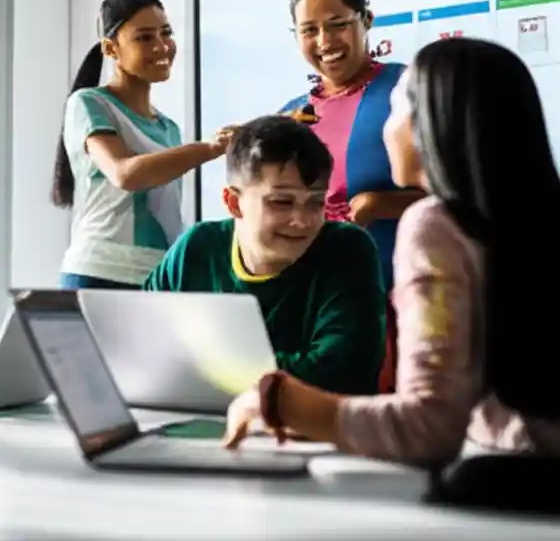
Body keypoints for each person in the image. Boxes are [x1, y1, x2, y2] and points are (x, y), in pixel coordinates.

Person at [223, 38, 560, 465]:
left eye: (395, 111)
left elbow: (428, 428)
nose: (384, 128)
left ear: (429, 126)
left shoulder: (434, 225)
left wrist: (282, 403)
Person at [143, 115, 386, 395]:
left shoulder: (347, 249)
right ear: (234, 202)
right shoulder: (197, 247)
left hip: (310, 435)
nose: (303, 221)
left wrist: (198, 367)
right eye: (282, 202)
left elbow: (339, 372)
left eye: (316, 203)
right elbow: (143, 343)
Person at [279, 0, 425, 390]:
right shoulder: (290, 114)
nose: (325, 42)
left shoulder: (409, 89)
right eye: (309, 30)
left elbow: (466, 191)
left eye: (338, 24)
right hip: (316, 308)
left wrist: (381, 205)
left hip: (403, 305)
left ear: (367, 21)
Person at [53, 0, 235, 290]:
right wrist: (210, 148)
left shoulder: (169, 128)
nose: (162, 46)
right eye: (144, 37)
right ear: (111, 49)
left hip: (156, 276)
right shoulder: (90, 103)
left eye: (166, 33)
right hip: (100, 273)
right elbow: (124, 173)